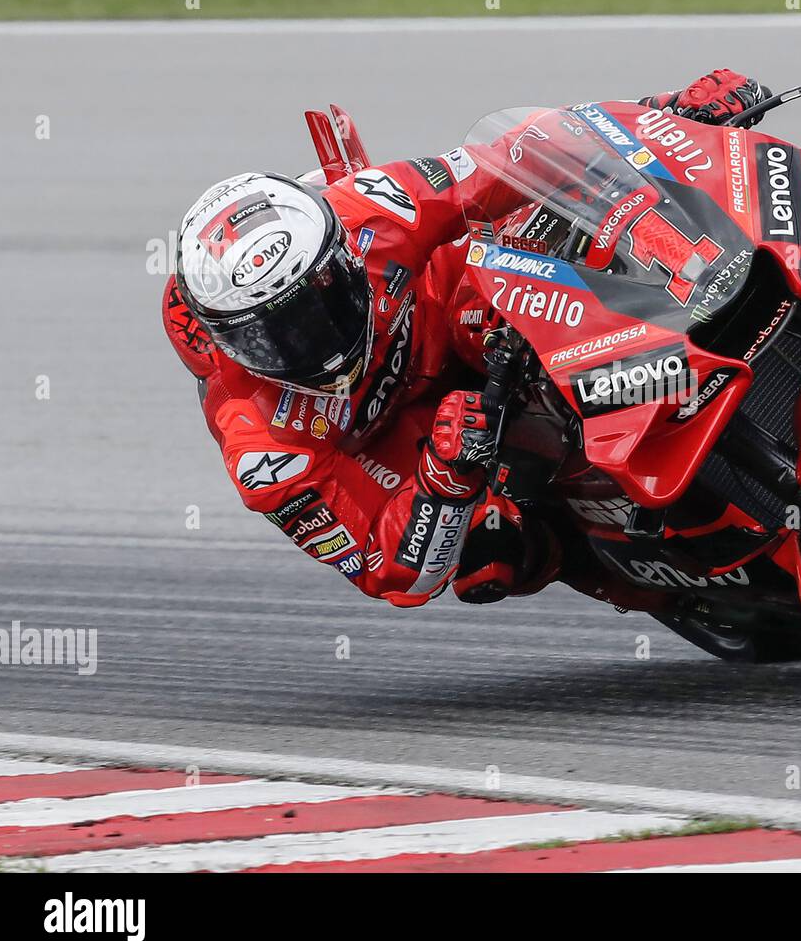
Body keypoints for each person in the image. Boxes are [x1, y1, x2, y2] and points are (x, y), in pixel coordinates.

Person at [161, 71, 769, 607]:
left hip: (456, 312)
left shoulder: (371, 211)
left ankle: (701, 300)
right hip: (409, 441)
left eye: (317, 304)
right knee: (491, 557)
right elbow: (392, 573)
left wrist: (664, 110)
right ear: (228, 344)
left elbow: (514, 156)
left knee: (561, 222)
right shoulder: (264, 450)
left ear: (343, 256)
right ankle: (641, 563)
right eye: (274, 335)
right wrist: (443, 481)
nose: (310, 341)